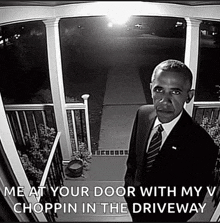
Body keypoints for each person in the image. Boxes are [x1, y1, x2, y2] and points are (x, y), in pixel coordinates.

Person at [124, 59, 219, 222]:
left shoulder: (203, 145)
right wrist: (131, 196)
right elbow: (133, 163)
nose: (164, 101)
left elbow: (192, 201)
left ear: (189, 96)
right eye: (159, 90)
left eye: (175, 92)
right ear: (151, 89)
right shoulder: (143, 115)